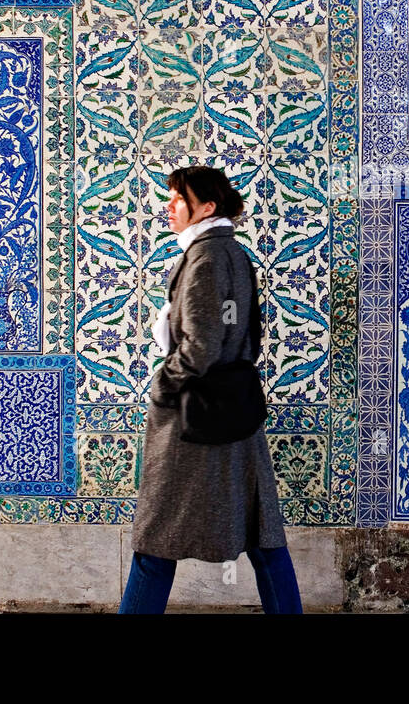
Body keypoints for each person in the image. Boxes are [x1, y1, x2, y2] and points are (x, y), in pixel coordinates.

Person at [119, 165, 302, 614]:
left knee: (155, 540)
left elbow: (200, 344)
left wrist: (164, 384)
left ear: (207, 206)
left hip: (194, 419)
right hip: (232, 410)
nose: (170, 206)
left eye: (179, 199)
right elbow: (249, 336)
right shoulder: (231, 254)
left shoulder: (205, 257)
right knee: (262, 536)